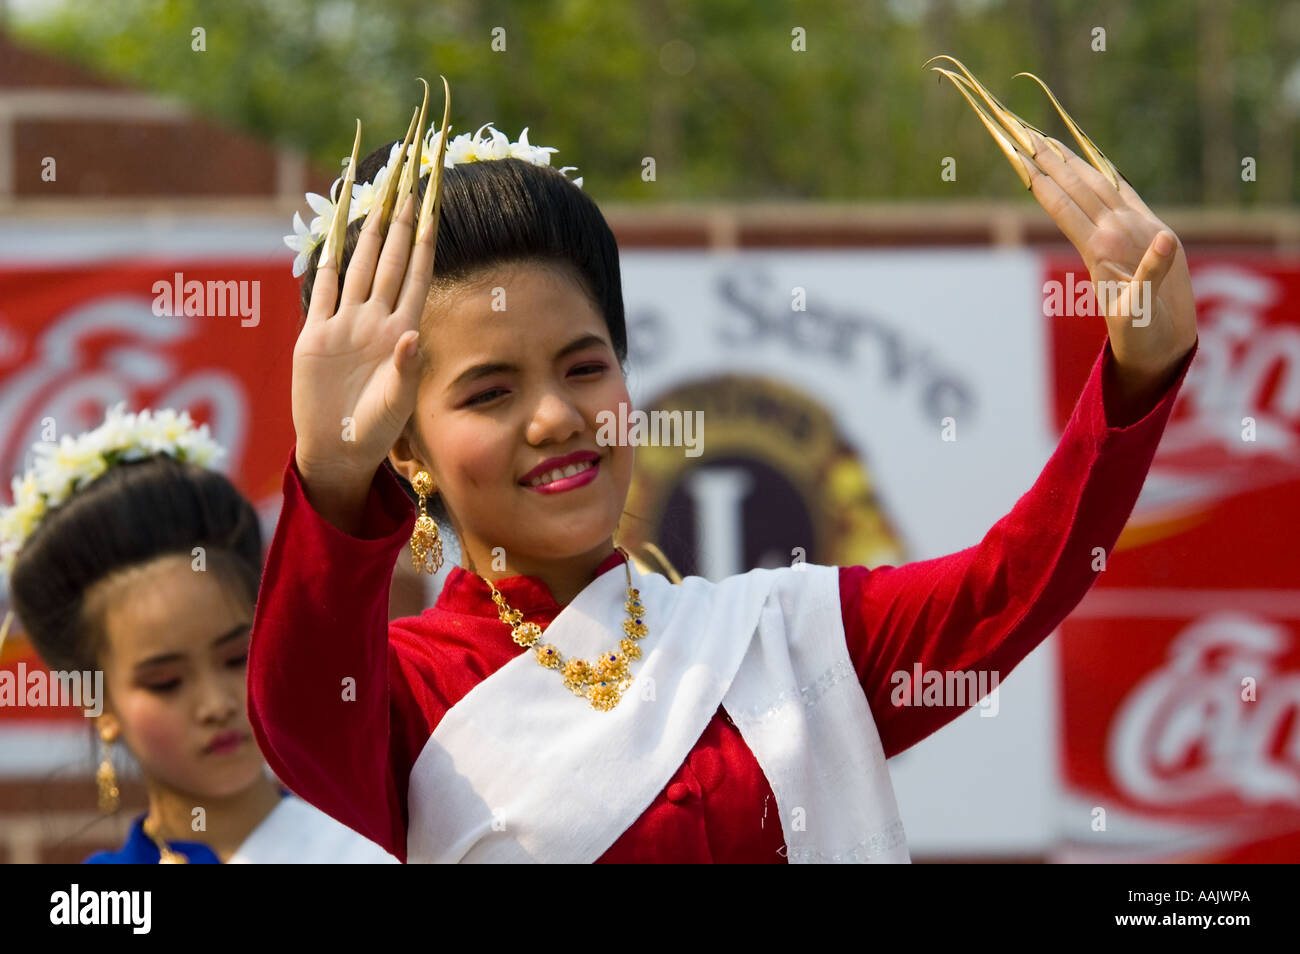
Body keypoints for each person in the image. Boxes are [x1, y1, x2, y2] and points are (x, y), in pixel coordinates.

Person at [248, 68, 1199, 863]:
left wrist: (1139, 371)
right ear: (405, 445)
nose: (555, 417)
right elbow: (298, 716)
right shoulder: (406, 695)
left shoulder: (781, 642)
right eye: (489, 393)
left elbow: (1017, 583)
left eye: (585, 367)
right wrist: (332, 472)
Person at [1, 405, 398, 863]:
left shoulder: (380, 848)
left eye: (236, 658)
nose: (217, 705)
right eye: (166, 682)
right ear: (99, 702)